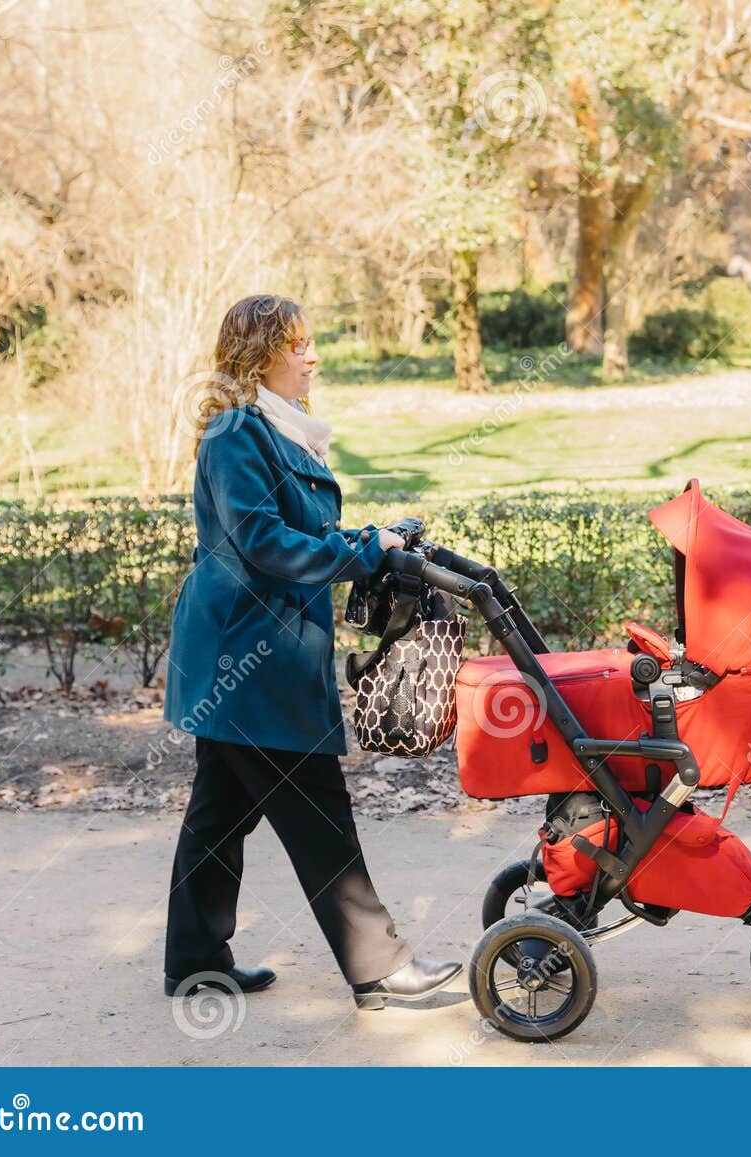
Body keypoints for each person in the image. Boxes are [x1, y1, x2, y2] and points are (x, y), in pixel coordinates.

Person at [161, 293, 460, 1011]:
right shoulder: (238, 434)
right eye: (297, 345)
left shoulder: (278, 431)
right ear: (261, 353)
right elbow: (262, 543)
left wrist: (370, 540)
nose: (312, 356)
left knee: (220, 812)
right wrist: (362, 547)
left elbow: (290, 532)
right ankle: (381, 967)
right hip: (250, 658)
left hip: (255, 650)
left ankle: (195, 960)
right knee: (316, 809)